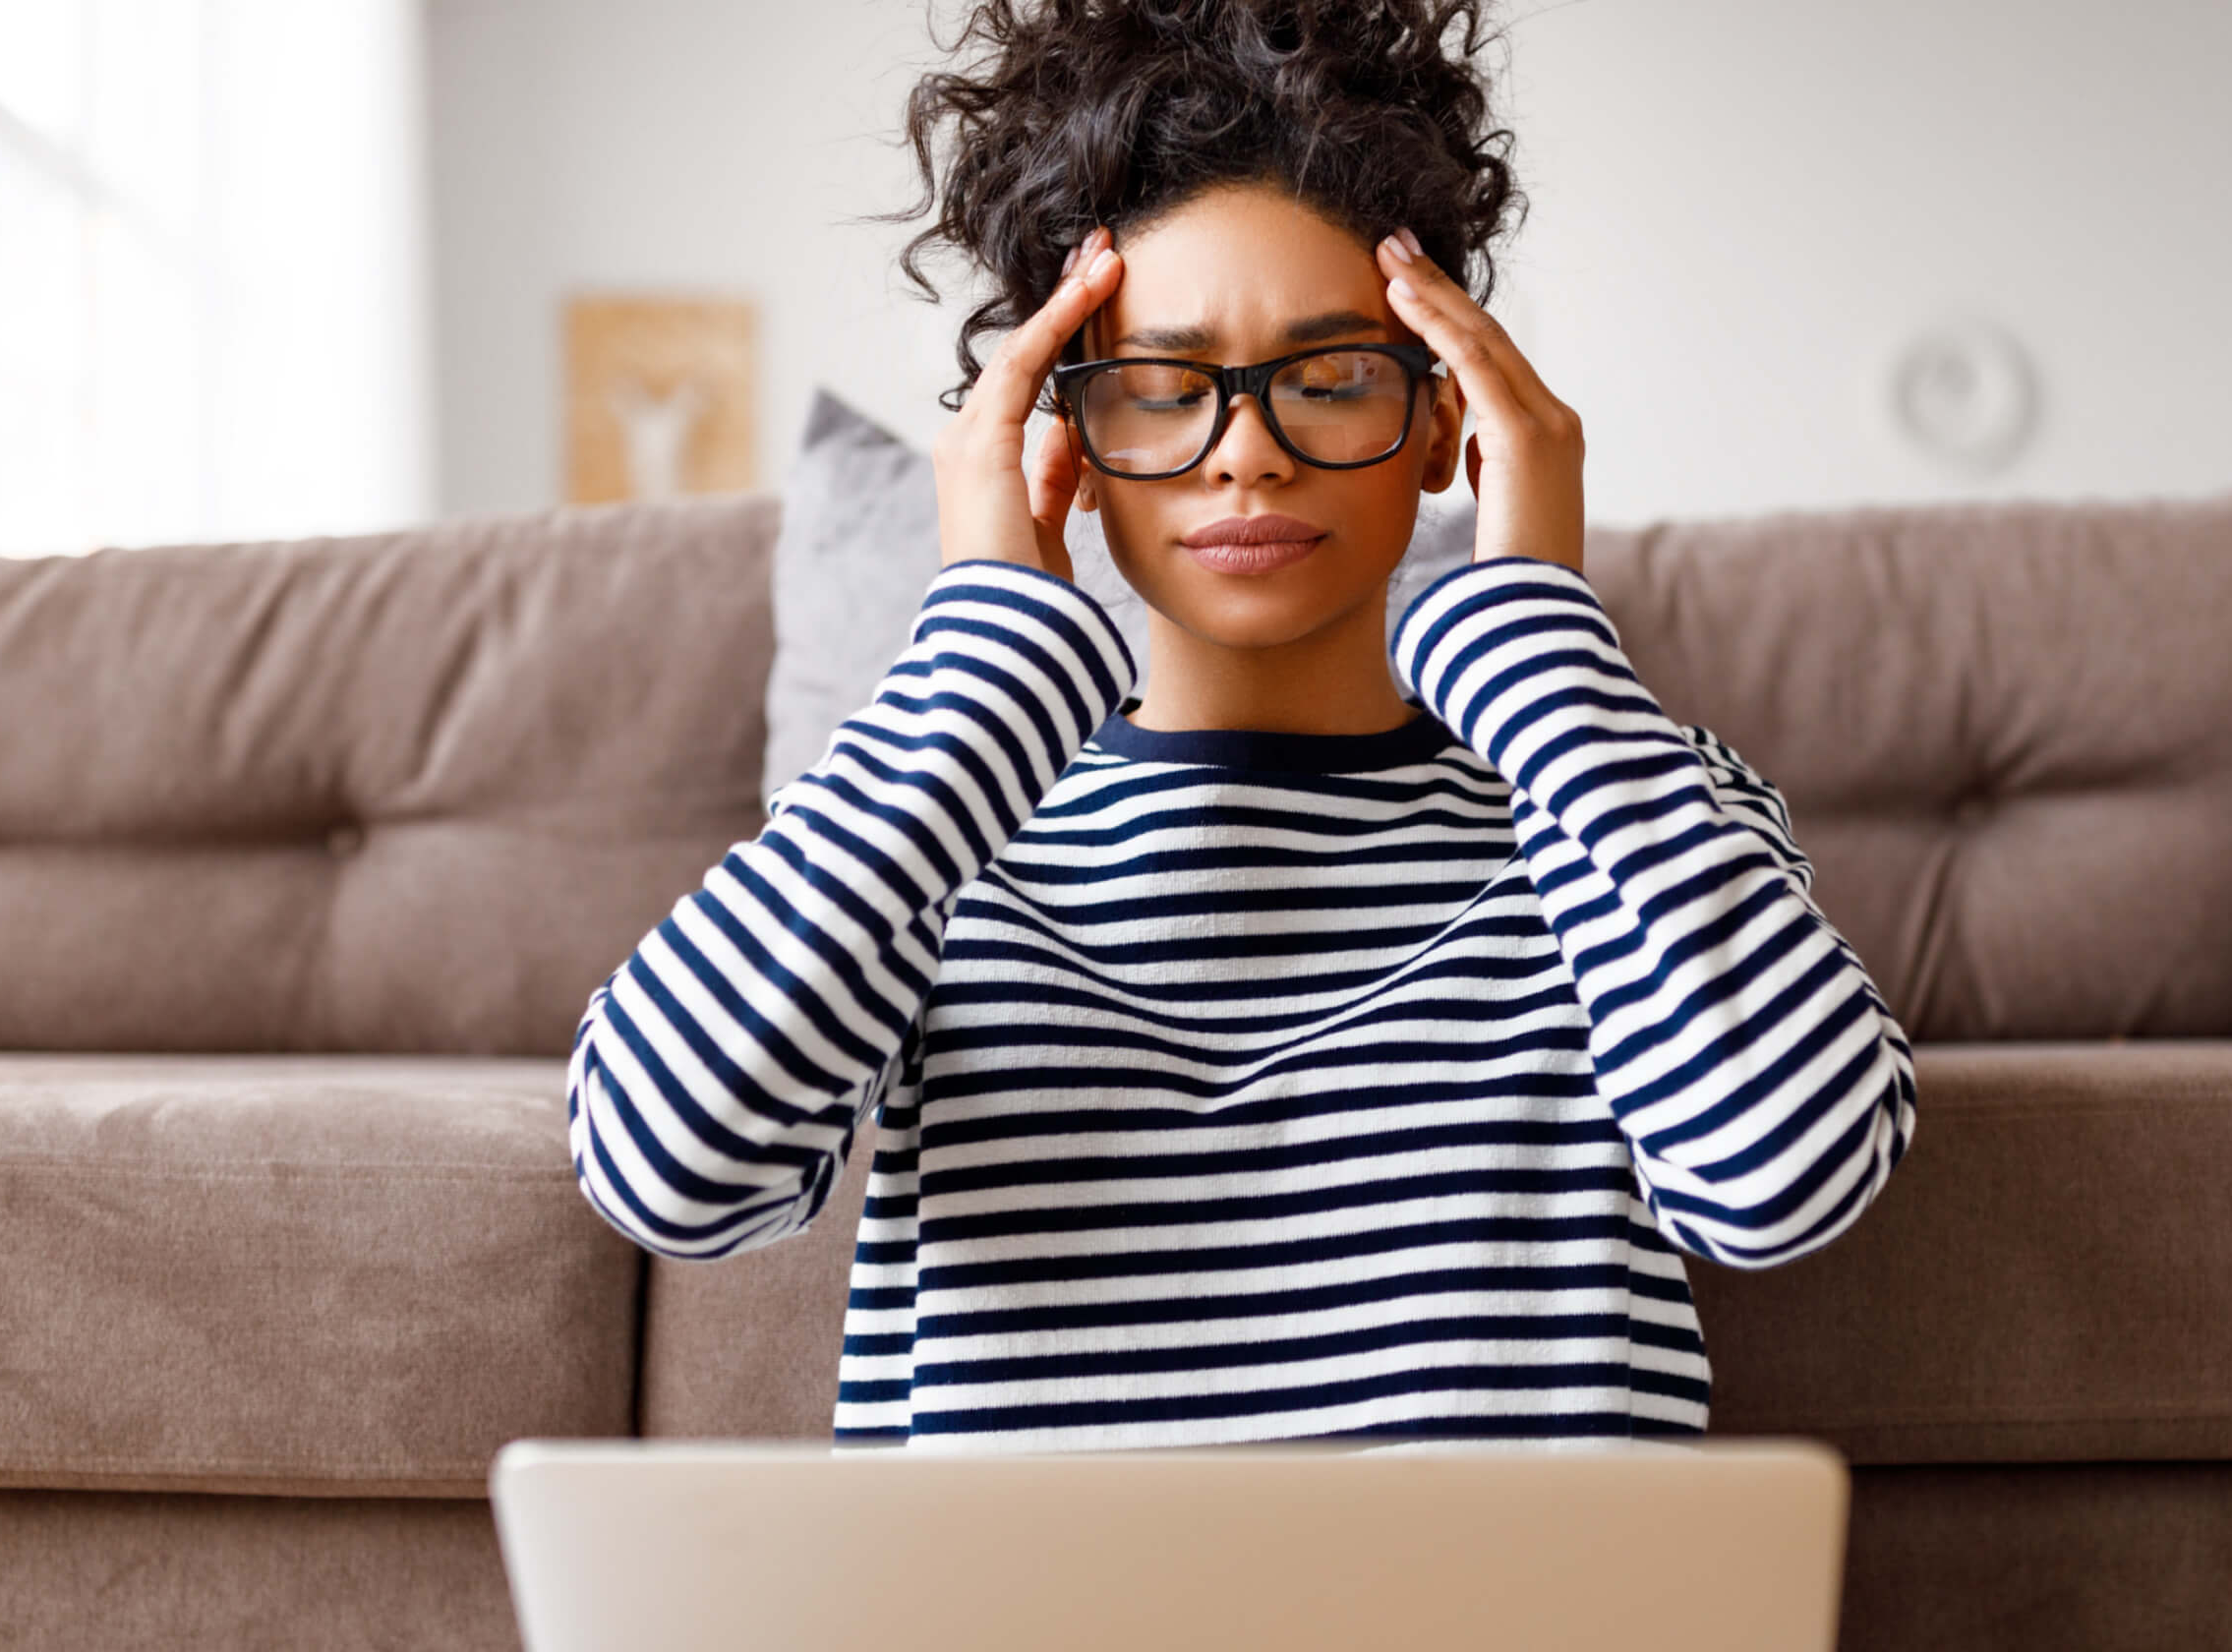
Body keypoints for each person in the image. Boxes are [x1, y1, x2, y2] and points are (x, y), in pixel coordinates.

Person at [565, 0, 1916, 1452]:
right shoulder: (923, 822)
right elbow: (665, 1174)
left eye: (1332, 381)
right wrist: (977, 665)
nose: (1250, 452)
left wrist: (1536, 639)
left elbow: (1789, 1178)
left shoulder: (1630, 802)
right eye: (1158, 389)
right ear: (1061, 439)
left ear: (1455, 422)